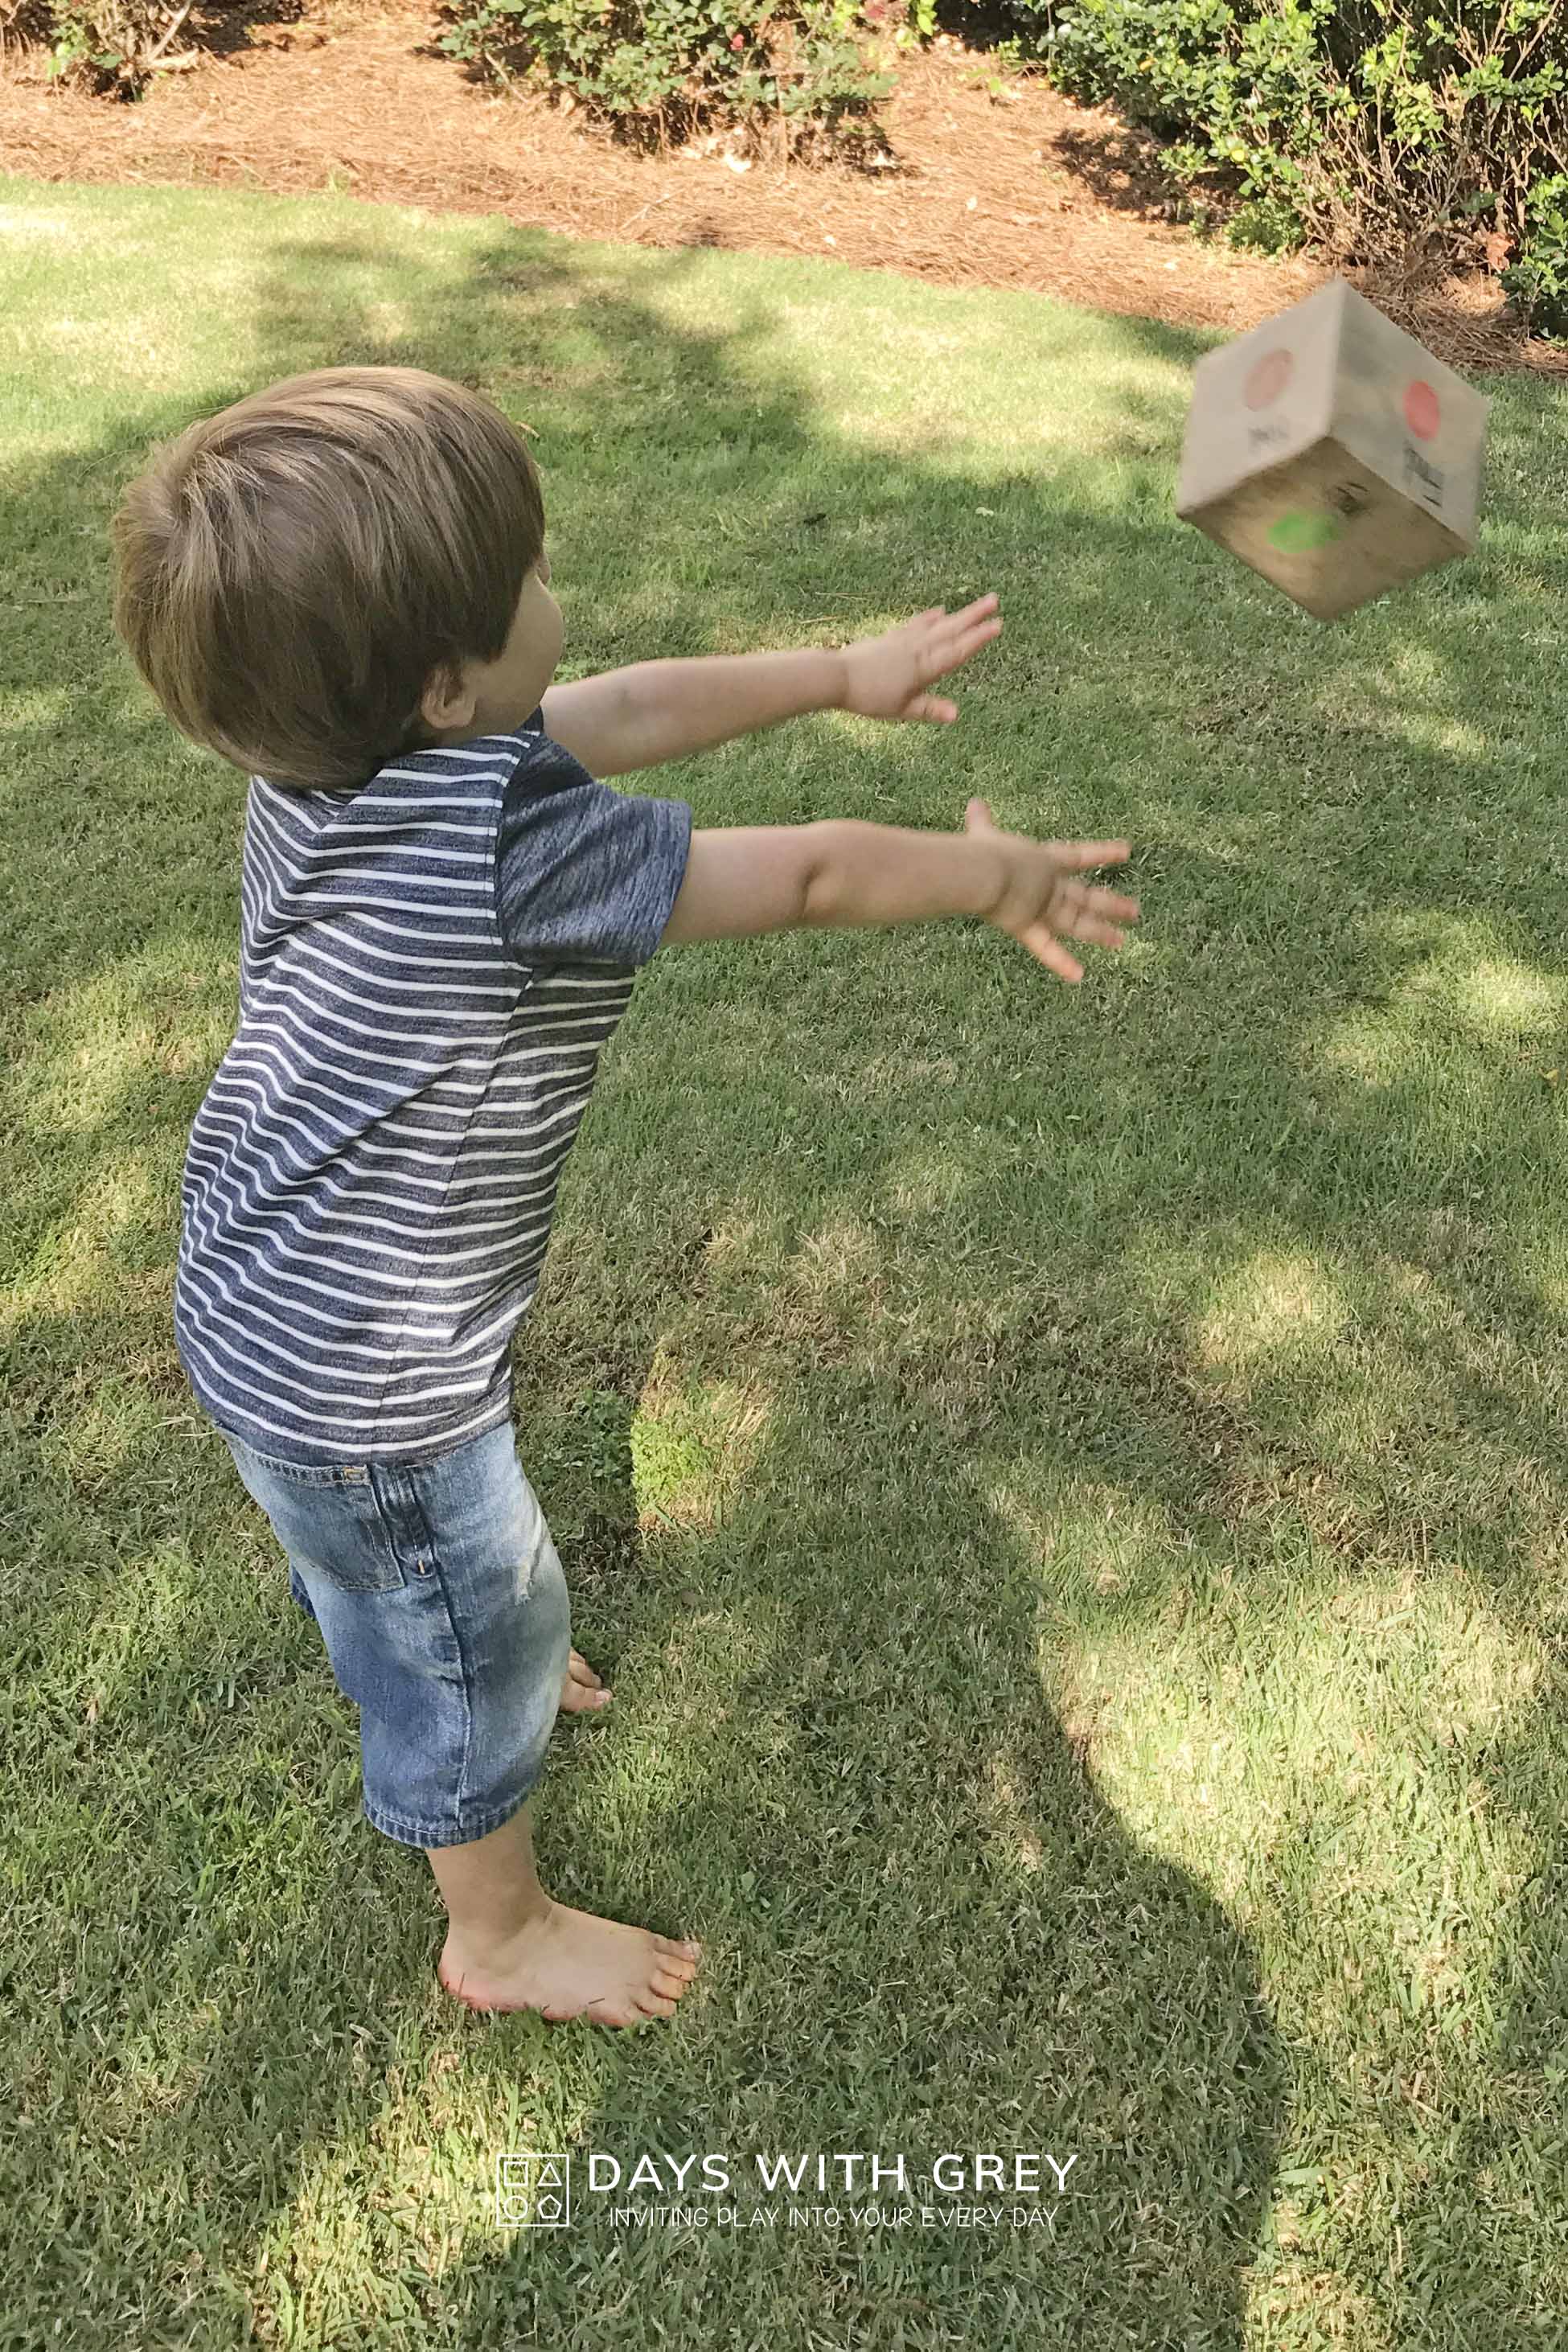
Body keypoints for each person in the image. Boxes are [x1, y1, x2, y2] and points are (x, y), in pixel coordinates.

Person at [111, 365, 1139, 2027]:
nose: (559, 601)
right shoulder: (512, 854)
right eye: (529, 586)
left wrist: (839, 673)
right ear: (447, 682)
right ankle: (496, 1927)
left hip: (263, 1280)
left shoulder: (318, 759)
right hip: (369, 1371)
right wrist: (995, 873)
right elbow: (800, 871)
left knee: (407, 1577)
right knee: (468, 1615)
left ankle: (437, 1636)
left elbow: (629, 708)